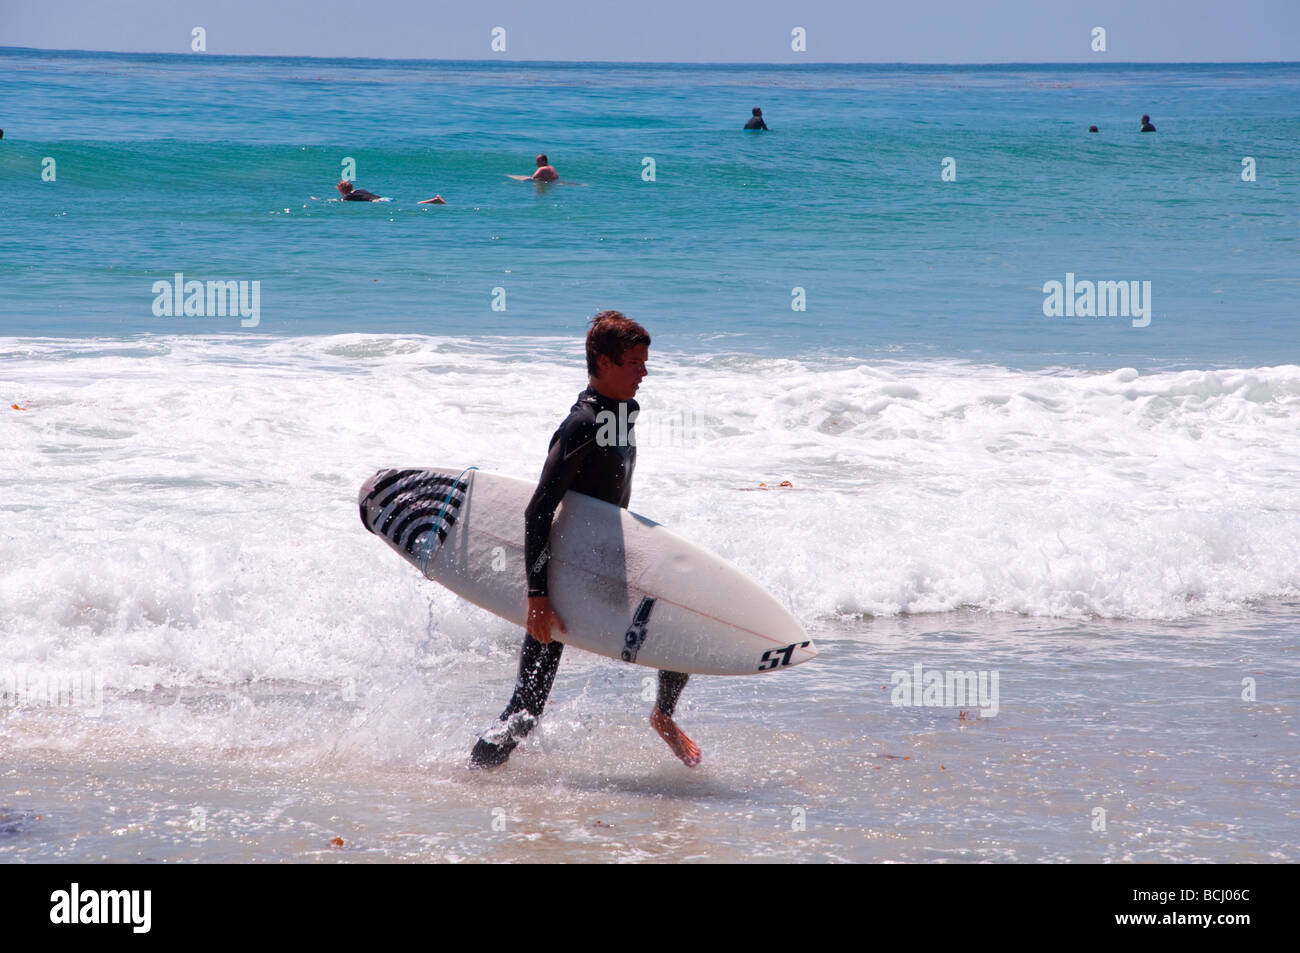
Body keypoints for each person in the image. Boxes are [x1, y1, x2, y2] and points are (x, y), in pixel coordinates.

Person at [470, 311, 701, 770]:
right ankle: (472, 777)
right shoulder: (583, 423)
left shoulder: (619, 417)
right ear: (605, 363)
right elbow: (538, 509)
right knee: (526, 710)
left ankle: (663, 714)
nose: (644, 372)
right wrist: (539, 598)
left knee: (682, 626)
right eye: (634, 363)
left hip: (609, 561)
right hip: (565, 576)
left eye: (644, 361)